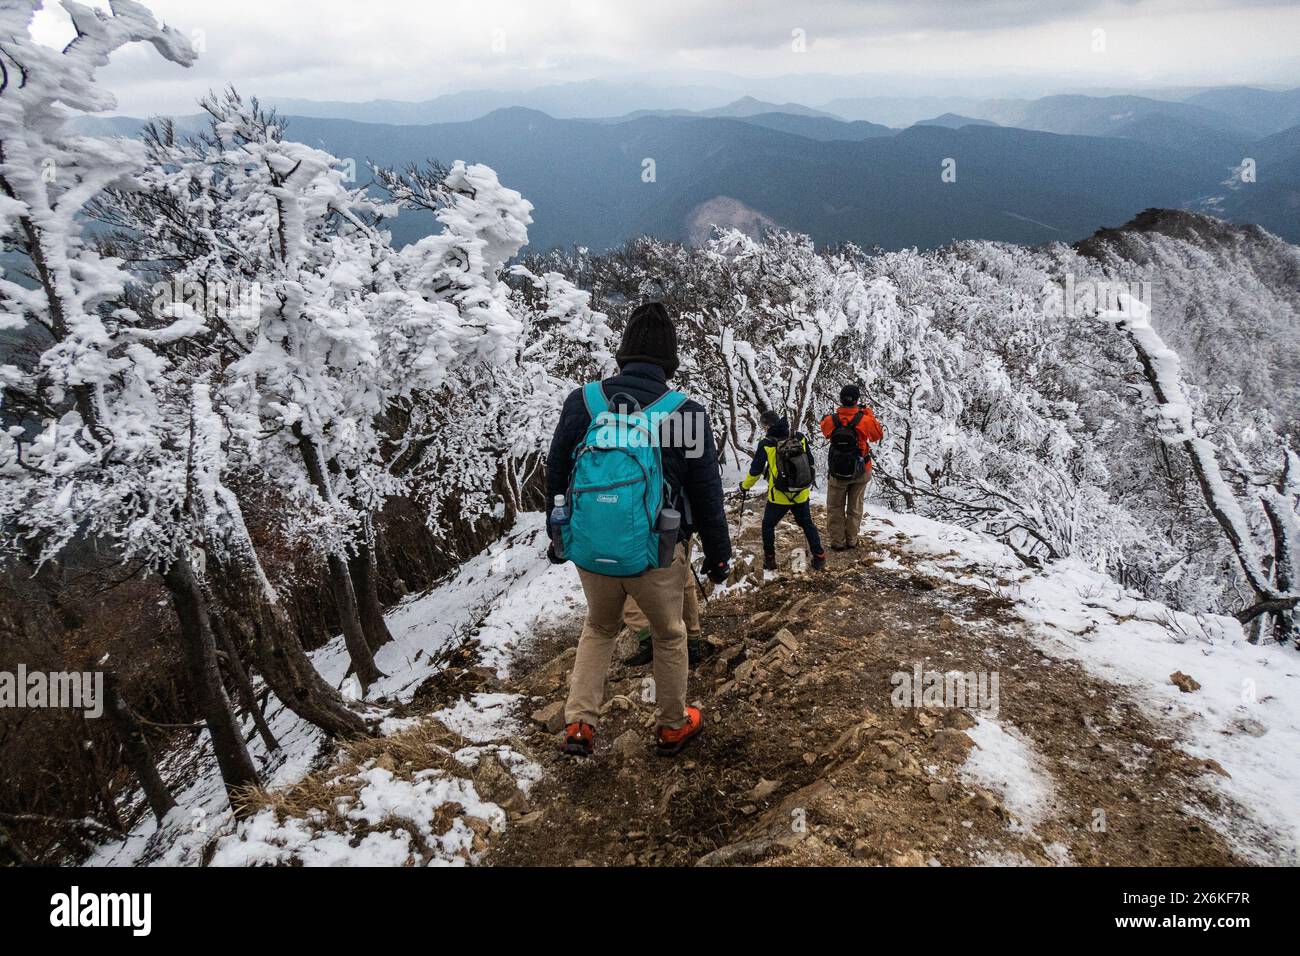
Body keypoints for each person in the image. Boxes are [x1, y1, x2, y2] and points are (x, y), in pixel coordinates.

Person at [546, 302, 731, 758]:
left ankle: (579, 726)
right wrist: (719, 554)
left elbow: (555, 476)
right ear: (670, 361)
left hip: (592, 548)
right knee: (669, 634)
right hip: (657, 551)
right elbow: (706, 492)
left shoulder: (583, 401)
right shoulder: (685, 413)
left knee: (599, 627)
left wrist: (558, 536)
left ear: (622, 353)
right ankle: (672, 726)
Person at [741, 410, 826, 573]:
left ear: (766, 426)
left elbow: (755, 471)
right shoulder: (798, 436)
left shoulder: (766, 444)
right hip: (801, 493)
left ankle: (770, 560)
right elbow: (810, 461)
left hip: (779, 496)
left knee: (768, 525)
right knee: (807, 523)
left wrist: (745, 486)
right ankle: (819, 557)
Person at [820, 384, 884, 551]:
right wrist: (867, 413)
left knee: (835, 507)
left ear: (841, 399)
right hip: (861, 470)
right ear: (857, 400)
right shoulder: (865, 420)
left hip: (837, 471)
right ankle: (852, 540)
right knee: (855, 506)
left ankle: (837, 542)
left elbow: (825, 431)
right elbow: (877, 435)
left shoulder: (830, 420)